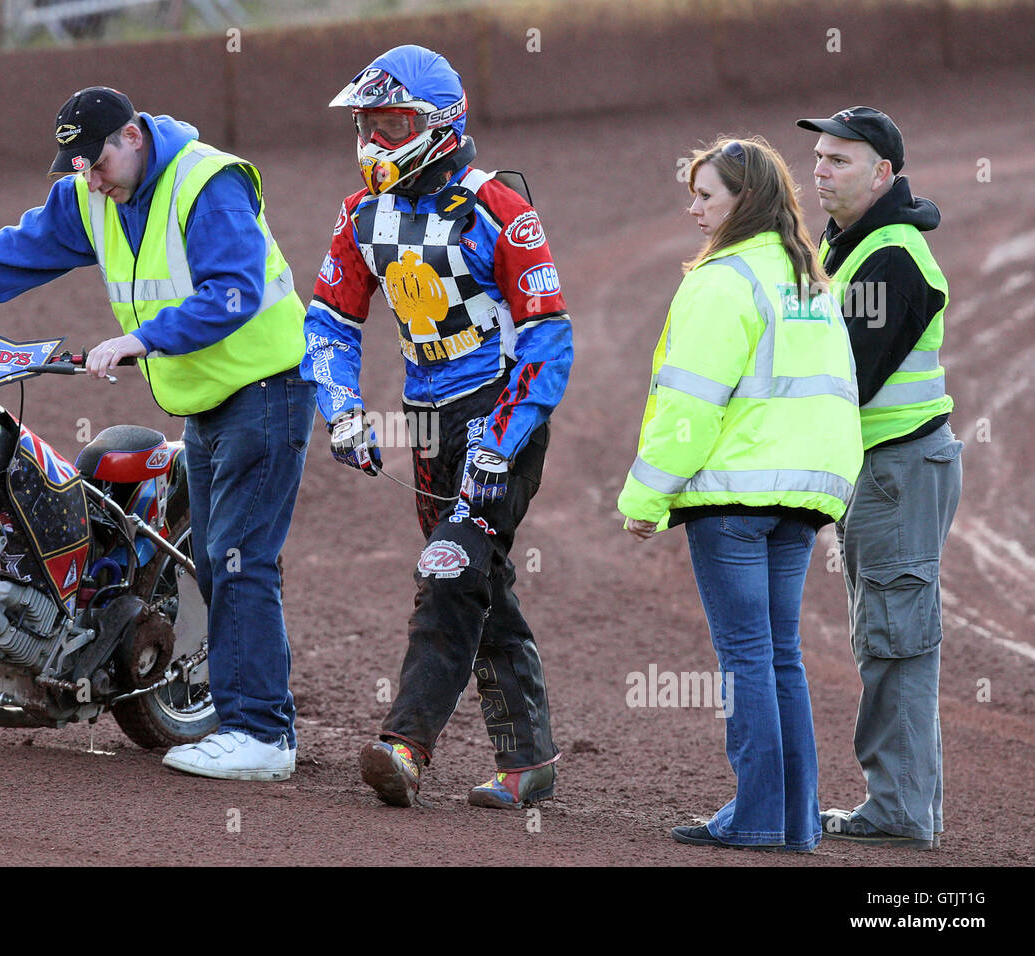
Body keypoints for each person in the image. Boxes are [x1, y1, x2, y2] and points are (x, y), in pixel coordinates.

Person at [0, 86, 315, 781]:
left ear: (133, 135)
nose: (89, 177)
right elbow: (16, 255)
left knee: (234, 554)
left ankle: (263, 735)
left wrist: (142, 338)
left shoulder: (206, 182)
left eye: (97, 160)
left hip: (267, 389)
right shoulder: (92, 193)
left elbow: (234, 290)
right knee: (216, 546)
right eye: (76, 164)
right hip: (207, 396)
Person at [302, 45, 573, 809]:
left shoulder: (501, 210)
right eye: (368, 124)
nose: (376, 141)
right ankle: (529, 761)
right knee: (478, 579)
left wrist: (504, 438)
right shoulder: (360, 215)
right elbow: (326, 322)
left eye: (394, 123)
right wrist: (343, 408)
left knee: (450, 571)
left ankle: (404, 746)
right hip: (426, 416)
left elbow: (549, 336)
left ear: (441, 123)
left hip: (498, 406)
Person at [617, 136, 863, 851]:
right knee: (780, 654)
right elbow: (835, 397)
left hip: (731, 499)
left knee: (748, 657)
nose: (693, 209)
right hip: (801, 500)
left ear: (742, 200)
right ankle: (794, 823)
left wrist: (646, 498)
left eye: (706, 196)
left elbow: (691, 405)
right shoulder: (808, 281)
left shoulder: (722, 282)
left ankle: (756, 817)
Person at [797, 107, 963, 850]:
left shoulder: (890, 257)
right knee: (891, 637)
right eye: (820, 157)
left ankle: (898, 812)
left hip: (898, 471)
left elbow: (847, 381)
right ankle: (901, 804)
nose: (821, 169)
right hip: (890, 470)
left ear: (883, 174)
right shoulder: (855, 245)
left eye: (839, 159)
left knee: (896, 640)